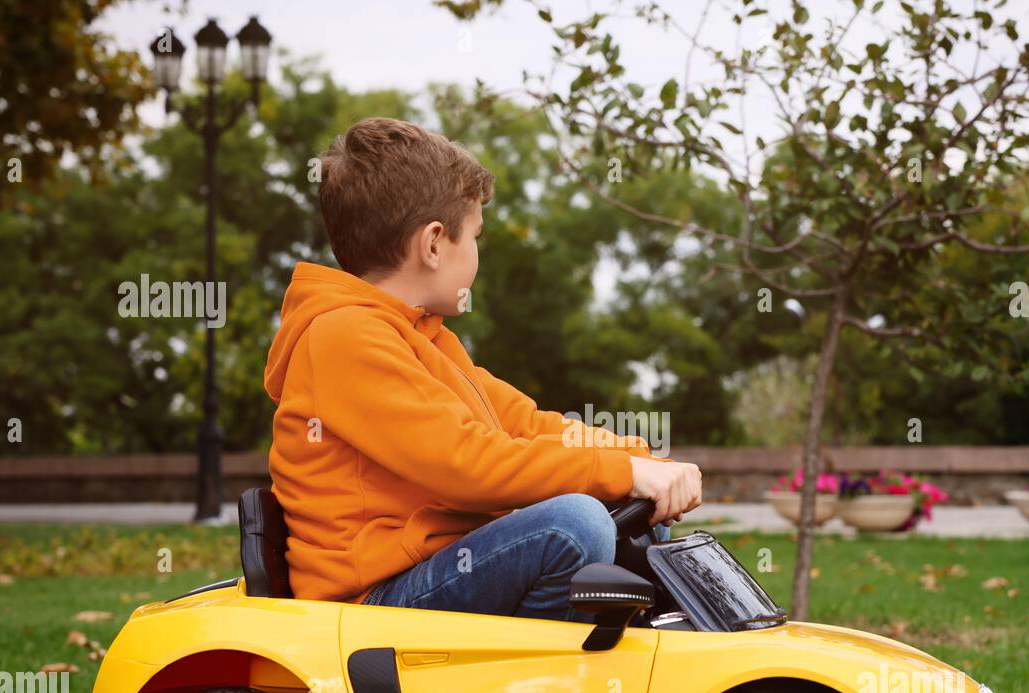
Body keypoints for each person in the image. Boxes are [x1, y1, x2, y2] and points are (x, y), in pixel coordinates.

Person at [262, 117, 701, 619]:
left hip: (432, 570)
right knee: (573, 525)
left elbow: (525, 424)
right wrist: (624, 473)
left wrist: (642, 462)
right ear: (432, 244)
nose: (476, 254)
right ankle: (535, 687)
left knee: (629, 515)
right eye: (475, 236)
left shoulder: (425, 337)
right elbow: (468, 465)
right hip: (375, 602)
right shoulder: (343, 337)